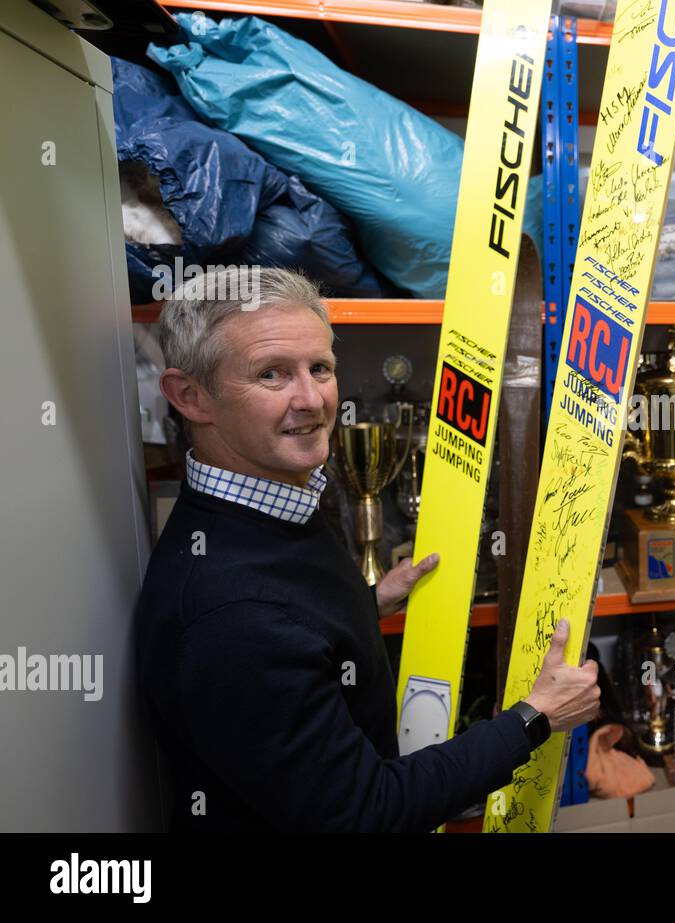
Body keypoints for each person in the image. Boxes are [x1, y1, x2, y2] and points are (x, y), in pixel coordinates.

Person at [135, 267, 599, 831]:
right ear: (190, 396)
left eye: (320, 368)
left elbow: (289, 624)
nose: (312, 400)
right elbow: (368, 811)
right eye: (272, 374)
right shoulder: (231, 614)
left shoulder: (272, 500)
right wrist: (536, 718)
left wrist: (363, 602)